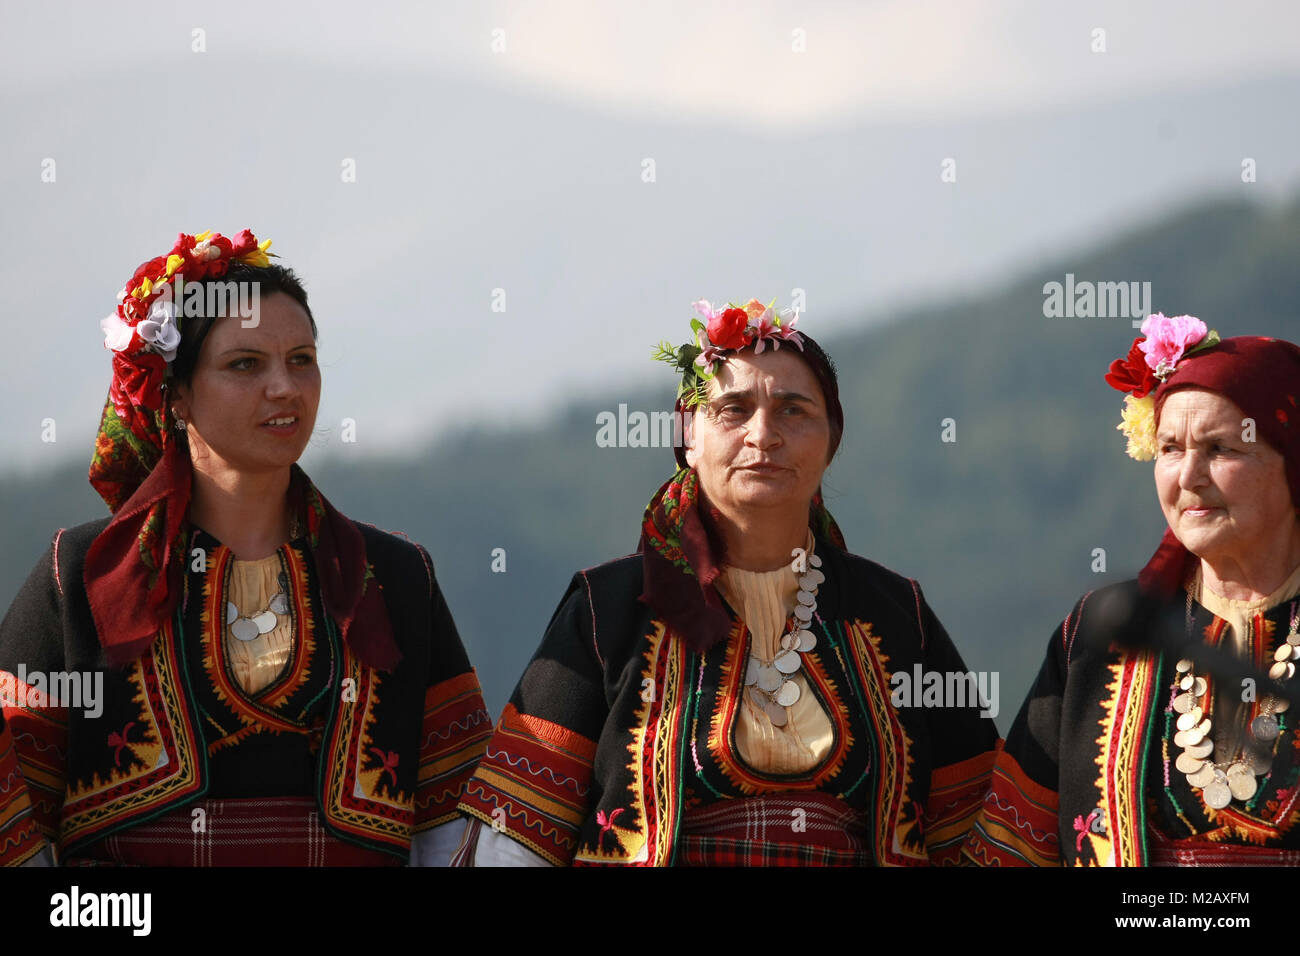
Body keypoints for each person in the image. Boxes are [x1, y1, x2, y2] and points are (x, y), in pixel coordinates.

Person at [0, 230, 491, 866]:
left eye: (302, 359)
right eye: (245, 365)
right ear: (176, 395)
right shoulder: (84, 575)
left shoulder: (394, 577)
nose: (284, 388)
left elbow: (456, 827)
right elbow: (16, 824)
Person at [455, 298, 999, 866]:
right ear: (689, 441)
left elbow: (975, 828)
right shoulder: (606, 611)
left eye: (793, 411)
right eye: (733, 410)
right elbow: (512, 837)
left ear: (831, 441)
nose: (763, 435)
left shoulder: (894, 613)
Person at [965, 316, 1300, 866]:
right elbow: (1013, 847)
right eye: (1170, 448)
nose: (1188, 476)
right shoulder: (1101, 631)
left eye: (1219, 449)